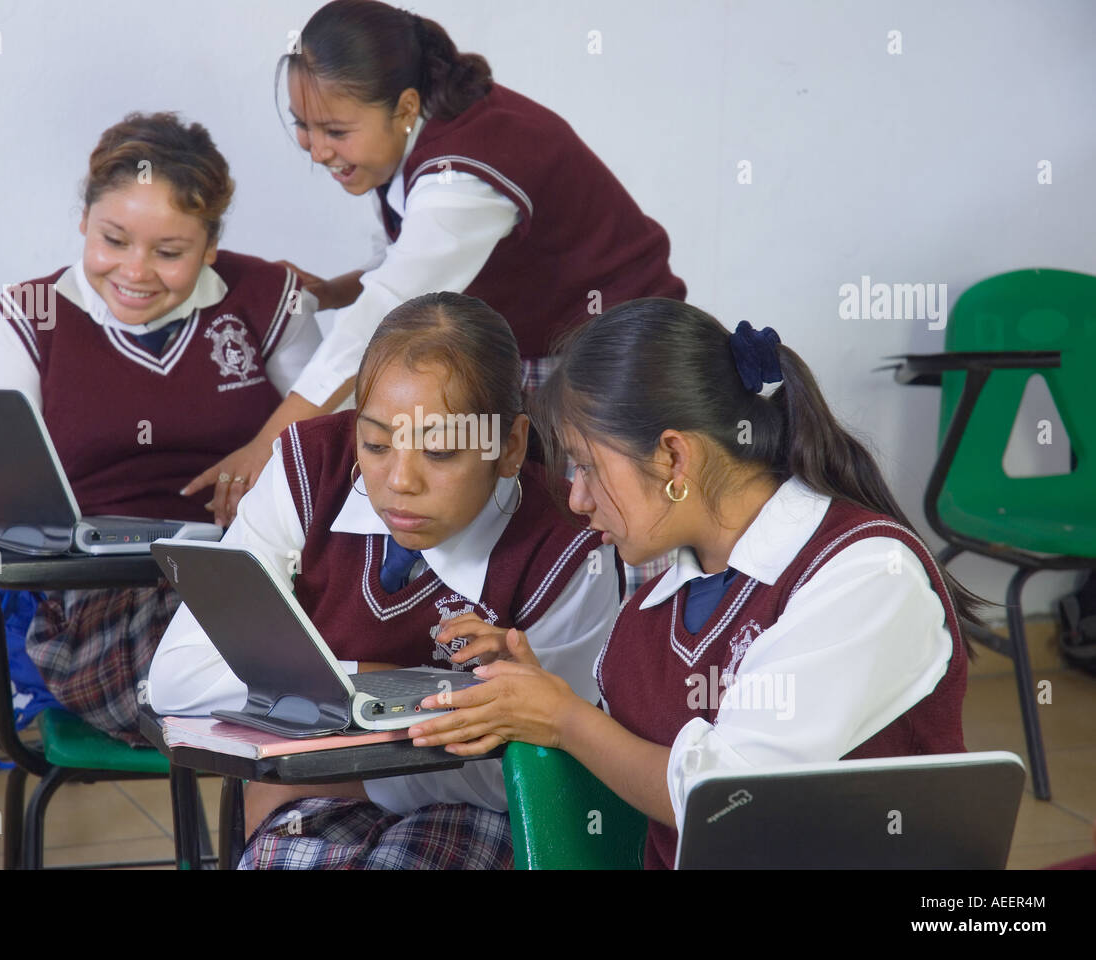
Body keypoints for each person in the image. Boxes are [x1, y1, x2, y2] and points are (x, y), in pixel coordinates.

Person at [408, 298, 975, 869]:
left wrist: (565, 718)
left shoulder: (866, 574)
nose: (577, 499)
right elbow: (633, 769)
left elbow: (730, 799)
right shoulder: (652, 611)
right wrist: (535, 696)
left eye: (588, 467)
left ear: (674, 458)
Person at [212, 0, 686, 594]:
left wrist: (270, 443)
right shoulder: (439, 135)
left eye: (335, 130)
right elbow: (423, 259)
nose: (316, 148)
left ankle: (642, 677)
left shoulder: (466, 168)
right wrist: (338, 289)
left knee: (627, 539)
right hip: (546, 355)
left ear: (405, 107)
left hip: (622, 363)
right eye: (302, 125)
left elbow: (390, 303)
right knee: (554, 544)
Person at [148, 292, 622, 868]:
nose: (399, 481)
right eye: (375, 444)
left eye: (441, 452)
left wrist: (331, 768)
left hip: (479, 812)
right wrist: (392, 685)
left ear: (509, 446)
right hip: (318, 799)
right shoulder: (309, 468)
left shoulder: (569, 552)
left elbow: (533, 770)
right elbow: (177, 678)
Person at [0, 112, 320, 744]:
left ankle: (297, 776)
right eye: (113, 239)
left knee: (304, 645)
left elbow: (332, 433)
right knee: (291, 684)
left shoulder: (269, 297)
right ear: (83, 222)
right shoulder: (27, 316)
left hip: (253, 575)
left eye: (170, 252)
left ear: (210, 248)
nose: (134, 270)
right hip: (97, 601)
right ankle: (310, 715)